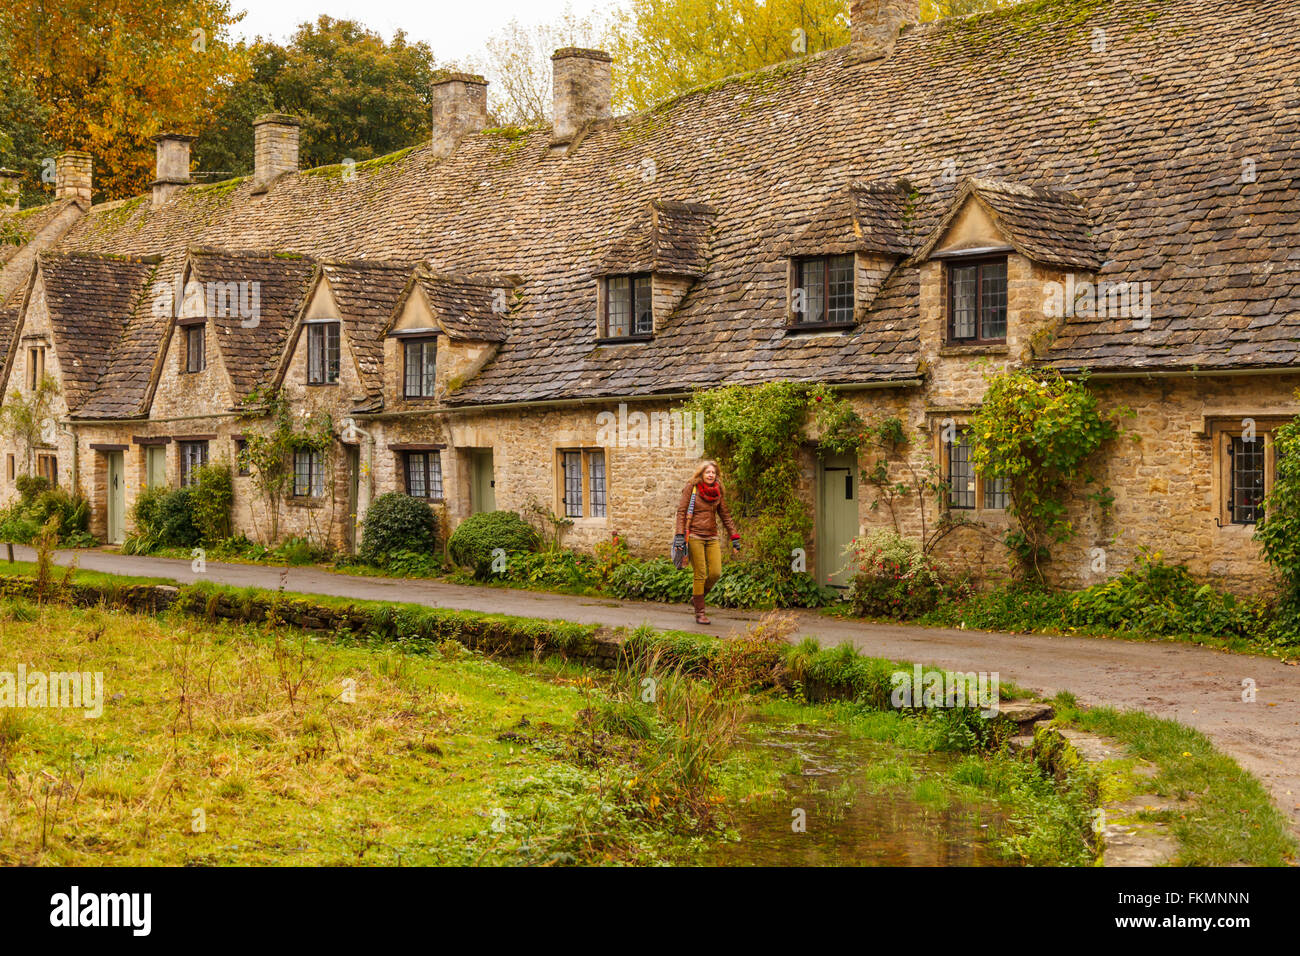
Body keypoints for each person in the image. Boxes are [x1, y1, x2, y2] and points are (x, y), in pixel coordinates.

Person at [673, 460, 740, 625]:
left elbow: (725, 515)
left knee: (716, 572)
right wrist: (680, 535)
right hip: (694, 535)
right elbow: (682, 511)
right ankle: (700, 612)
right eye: (708, 472)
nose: (711, 475)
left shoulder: (717, 491)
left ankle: (697, 598)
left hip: (712, 536)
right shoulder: (692, 488)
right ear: (701, 474)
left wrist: (735, 537)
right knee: (700, 574)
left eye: (713, 473)